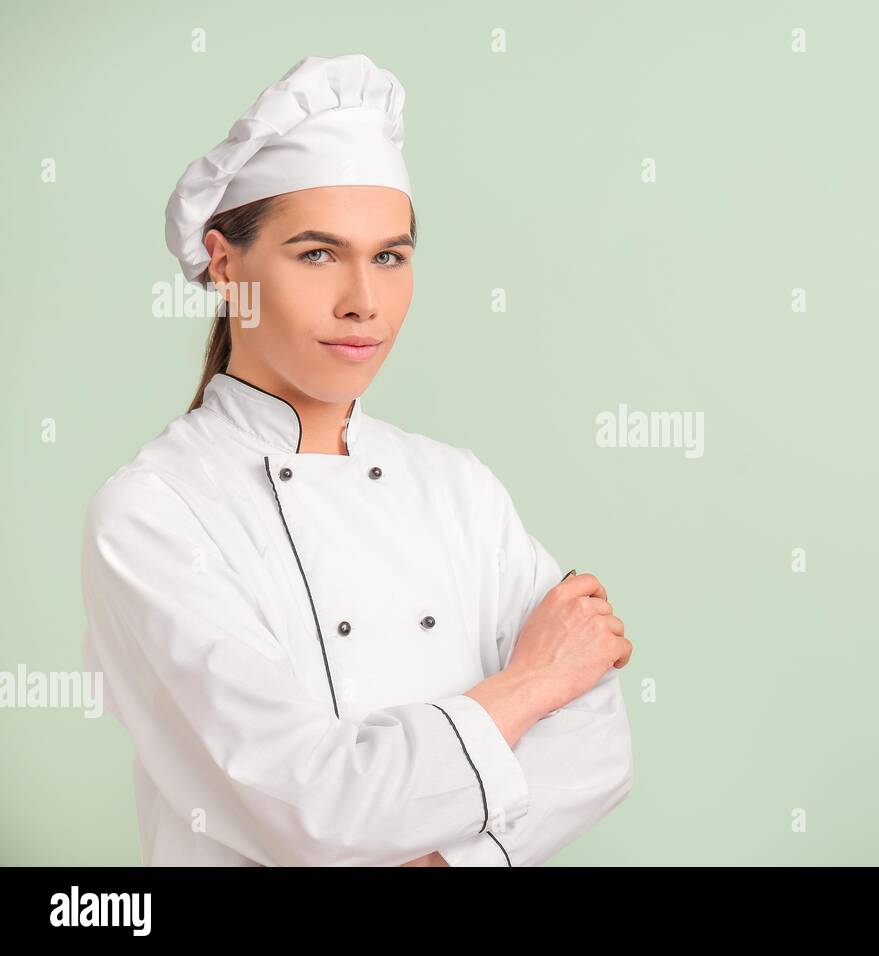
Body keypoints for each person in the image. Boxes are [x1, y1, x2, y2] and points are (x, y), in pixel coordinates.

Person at [79, 53, 634, 867]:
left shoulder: (457, 487)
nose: (363, 301)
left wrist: (452, 864)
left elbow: (597, 745)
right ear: (228, 264)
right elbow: (311, 804)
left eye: (390, 256)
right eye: (316, 254)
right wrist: (530, 682)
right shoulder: (155, 513)